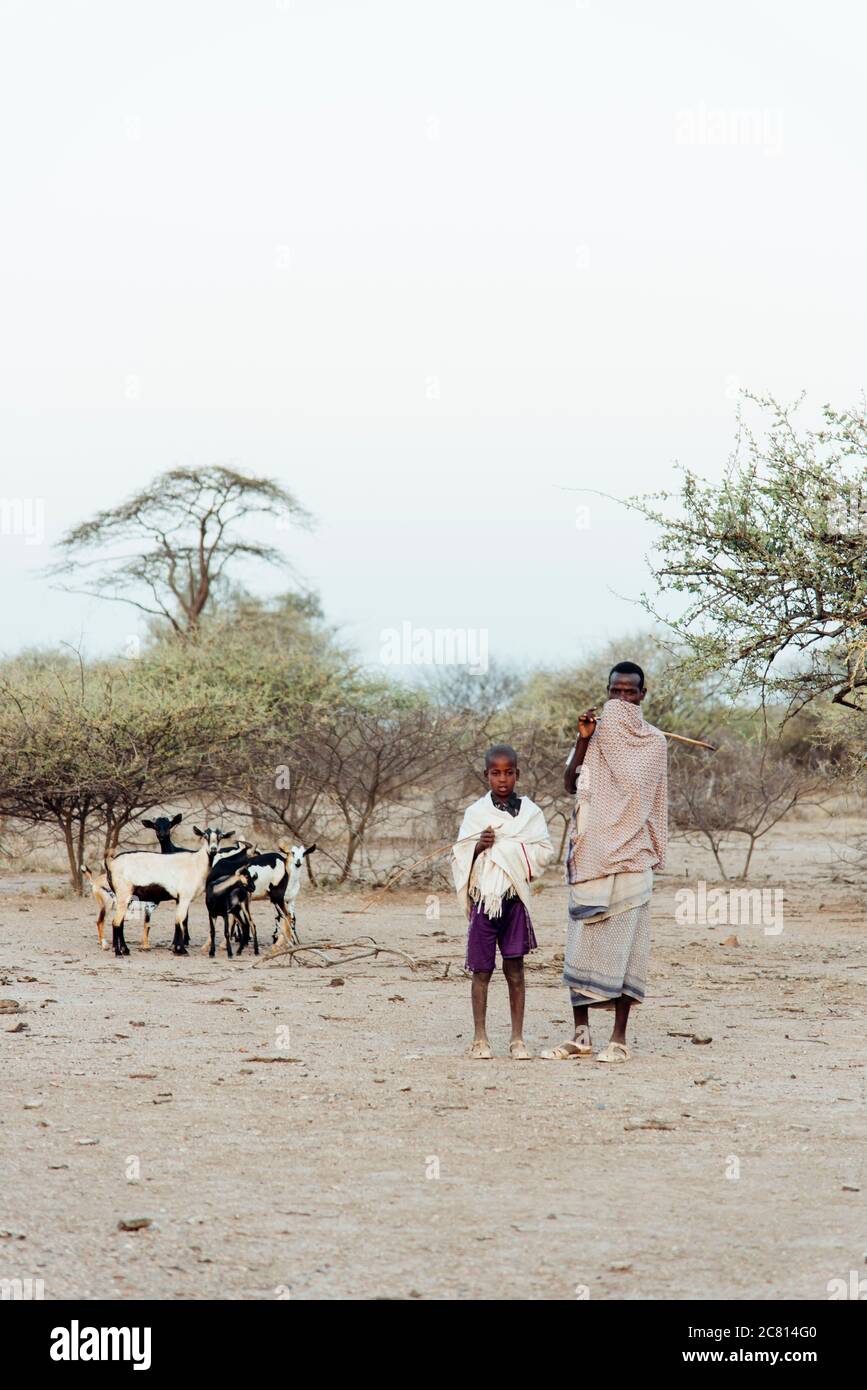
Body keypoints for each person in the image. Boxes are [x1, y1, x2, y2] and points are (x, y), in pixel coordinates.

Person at [542, 662, 667, 1064]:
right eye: (616, 692)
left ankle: (619, 1038)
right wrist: (583, 741)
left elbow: (649, 797)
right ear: (607, 691)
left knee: (629, 948)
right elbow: (568, 783)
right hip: (593, 851)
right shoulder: (591, 737)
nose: (622, 700)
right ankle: (580, 1036)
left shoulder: (654, 742)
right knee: (582, 943)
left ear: (643, 696)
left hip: (633, 855)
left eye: (631, 693)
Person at [451, 744, 555, 1060]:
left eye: (508, 772)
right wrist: (479, 848)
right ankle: (480, 1038)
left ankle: (517, 1039)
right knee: (481, 971)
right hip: (485, 901)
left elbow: (543, 853)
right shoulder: (476, 814)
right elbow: (458, 854)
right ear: (486, 775)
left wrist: (509, 849)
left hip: (513, 900)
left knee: (516, 969)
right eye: (496, 773)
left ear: (517, 774)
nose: (502, 779)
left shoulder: (531, 813)